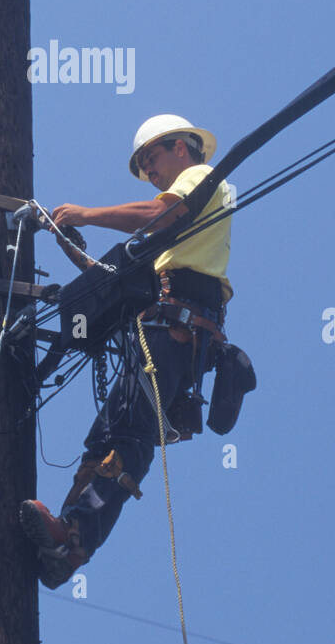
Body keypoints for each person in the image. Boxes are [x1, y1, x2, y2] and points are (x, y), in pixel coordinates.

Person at [19, 115, 234, 589]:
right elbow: (125, 263)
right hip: (167, 325)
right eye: (143, 166)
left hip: (177, 325)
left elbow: (161, 214)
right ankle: (66, 535)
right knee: (108, 435)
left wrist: (85, 215)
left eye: (150, 160)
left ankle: (75, 541)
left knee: (130, 435)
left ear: (182, 147)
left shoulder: (201, 177)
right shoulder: (178, 226)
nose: (150, 172)